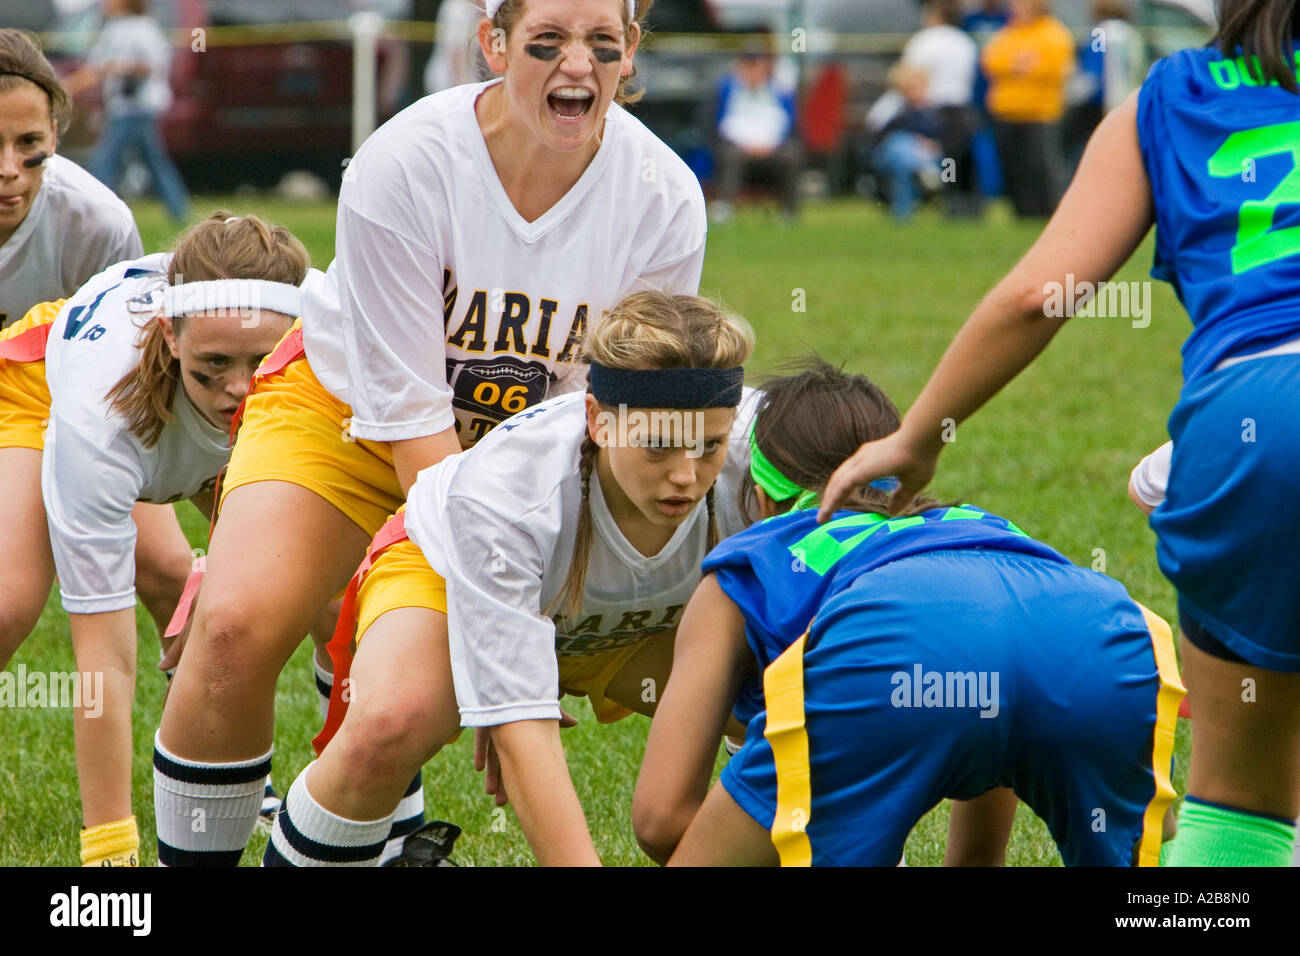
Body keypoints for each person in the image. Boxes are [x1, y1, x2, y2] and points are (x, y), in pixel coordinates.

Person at [154, 0, 711, 867]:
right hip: (354, 417)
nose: (578, 67)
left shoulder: (664, 196)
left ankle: (370, 800)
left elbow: (610, 428)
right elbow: (413, 421)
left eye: (604, 44)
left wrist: (507, 669)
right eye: (546, 42)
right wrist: (497, 652)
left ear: (632, 53)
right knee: (234, 627)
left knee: (404, 709)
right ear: (492, 43)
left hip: (531, 467)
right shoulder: (406, 163)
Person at [820, 0, 1300, 866]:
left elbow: (1041, 294)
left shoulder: (1171, 94)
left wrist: (919, 437)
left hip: (1247, 426)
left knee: (1241, 811)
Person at [256, 291, 754, 867]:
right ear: (597, 420)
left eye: (710, 445)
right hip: (444, 577)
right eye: (657, 446)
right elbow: (523, 727)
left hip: (630, 629)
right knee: (393, 721)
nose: (687, 476)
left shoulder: (762, 456)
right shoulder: (507, 491)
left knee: (792, 693)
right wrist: (503, 691)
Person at [632, 361, 1183, 866]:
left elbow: (660, 821)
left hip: (894, 644)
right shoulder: (981, 525)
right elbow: (997, 670)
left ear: (759, 495)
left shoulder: (750, 562)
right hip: (1107, 631)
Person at [0, 211, 311, 866]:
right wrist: (110, 852)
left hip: (172, 424)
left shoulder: (323, 348)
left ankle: (232, 784)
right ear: (171, 337)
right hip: (41, 395)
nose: (242, 390)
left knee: (194, 587)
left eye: (264, 362)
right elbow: (103, 664)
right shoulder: (101, 421)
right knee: (9, 601)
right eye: (215, 364)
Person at [0, 28, 141, 329]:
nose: (8, 168)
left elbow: (124, 364)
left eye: (28, 141)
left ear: (52, 135)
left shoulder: (102, 228)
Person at [62, 0, 190, 223]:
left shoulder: (144, 28)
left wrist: (122, 67)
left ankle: (91, 207)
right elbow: (96, 68)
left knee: (106, 159)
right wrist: (67, 86)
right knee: (154, 160)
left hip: (139, 106)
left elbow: (155, 65)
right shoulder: (112, 29)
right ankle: (178, 210)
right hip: (121, 106)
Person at [981, 0, 1075, 217]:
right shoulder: (1008, 32)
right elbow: (991, 60)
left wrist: (1015, 67)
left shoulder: (1053, 33)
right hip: (1006, 113)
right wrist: (1017, 65)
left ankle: (1050, 213)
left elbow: (1053, 67)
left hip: (1040, 114)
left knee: (1041, 168)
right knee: (1014, 168)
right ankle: (1023, 214)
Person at [900, 0, 981, 216]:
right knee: (962, 159)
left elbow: (909, 75)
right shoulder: (964, 41)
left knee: (946, 159)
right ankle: (971, 206)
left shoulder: (923, 41)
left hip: (936, 108)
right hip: (962, 108)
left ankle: (950, 202)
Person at [710, 33, 801, 223]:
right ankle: (724, 206)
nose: (753, 70)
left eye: (757, 64)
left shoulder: (780, 91)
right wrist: (744, 143)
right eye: (748, 64)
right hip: (738, 146)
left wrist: (771, 145)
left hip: (773, 147)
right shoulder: (727, 89)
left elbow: (788, 124)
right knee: (729, 154)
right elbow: (720, 123)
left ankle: (789, 211)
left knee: (792, 154)